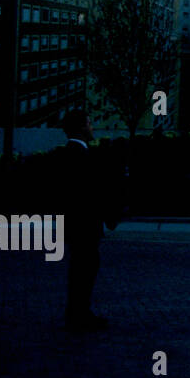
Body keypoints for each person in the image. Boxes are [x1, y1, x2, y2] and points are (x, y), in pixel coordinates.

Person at [58, 109, 118, 332]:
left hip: (77, 226)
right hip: (84, 226)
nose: (92, 128)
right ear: (82, 127)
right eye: (90, 124)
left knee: (80, 271)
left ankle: (78, 313)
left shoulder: (71, 153)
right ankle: (79, 315)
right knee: (84, 270)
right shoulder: (79, 156)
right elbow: (90, 194)